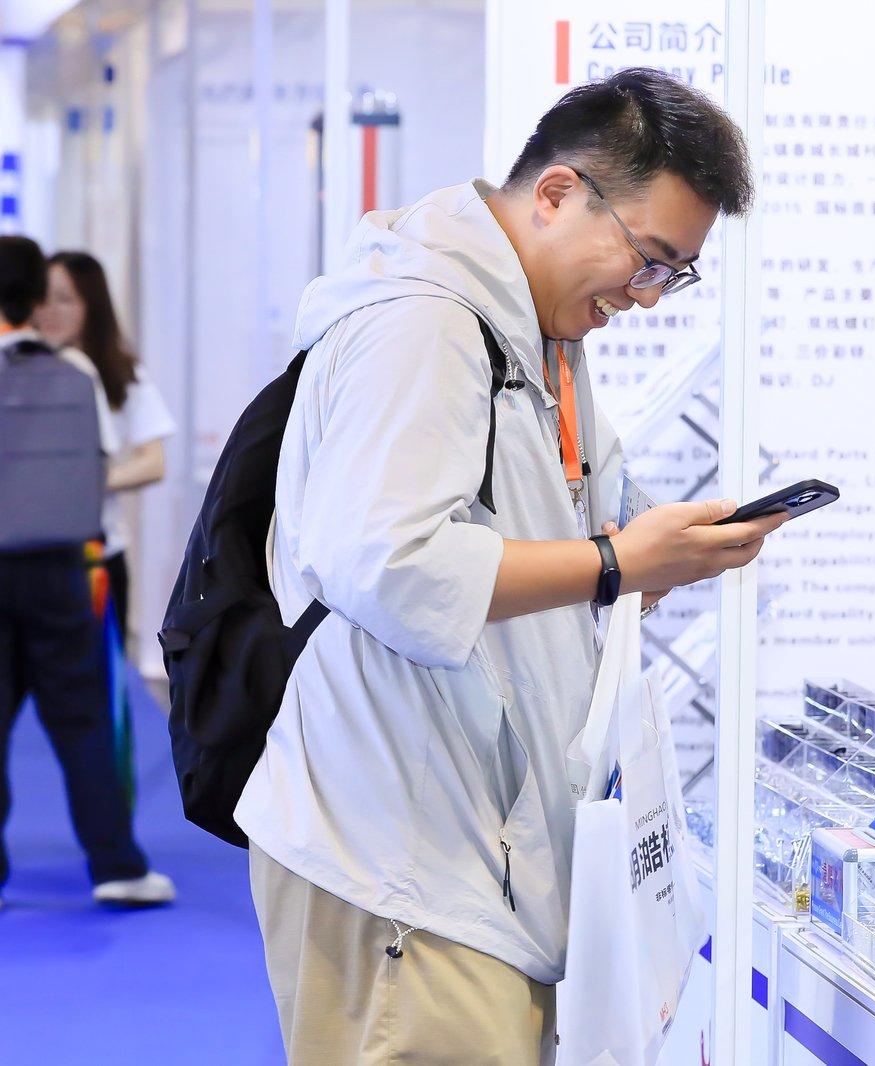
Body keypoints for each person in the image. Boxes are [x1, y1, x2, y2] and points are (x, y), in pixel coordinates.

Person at [235, 69, 782, 1064]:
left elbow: (560, 524)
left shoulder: (536, 329)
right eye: (649, 259)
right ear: (558, 193)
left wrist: (645, 556)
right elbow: (388, 561)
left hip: (471, 848)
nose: (644, 296)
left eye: (674, 275)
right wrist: (613, 563)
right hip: (399, 860)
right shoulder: (423, 319)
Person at [0, 235, 174, 909]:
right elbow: (98, 463)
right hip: (64, 568)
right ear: (35, 297)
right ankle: (116, 865)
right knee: (84, 721)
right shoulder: (77, 375)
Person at [36, 250, 177, 644]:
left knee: (98, 672)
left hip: (96, 557)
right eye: (42, 298)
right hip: (29, 555)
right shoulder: (21, 369)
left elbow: (153, 462)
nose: (49, 311)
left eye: (65, 299)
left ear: (91, 305)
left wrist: (84, 481)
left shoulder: (120, 373)